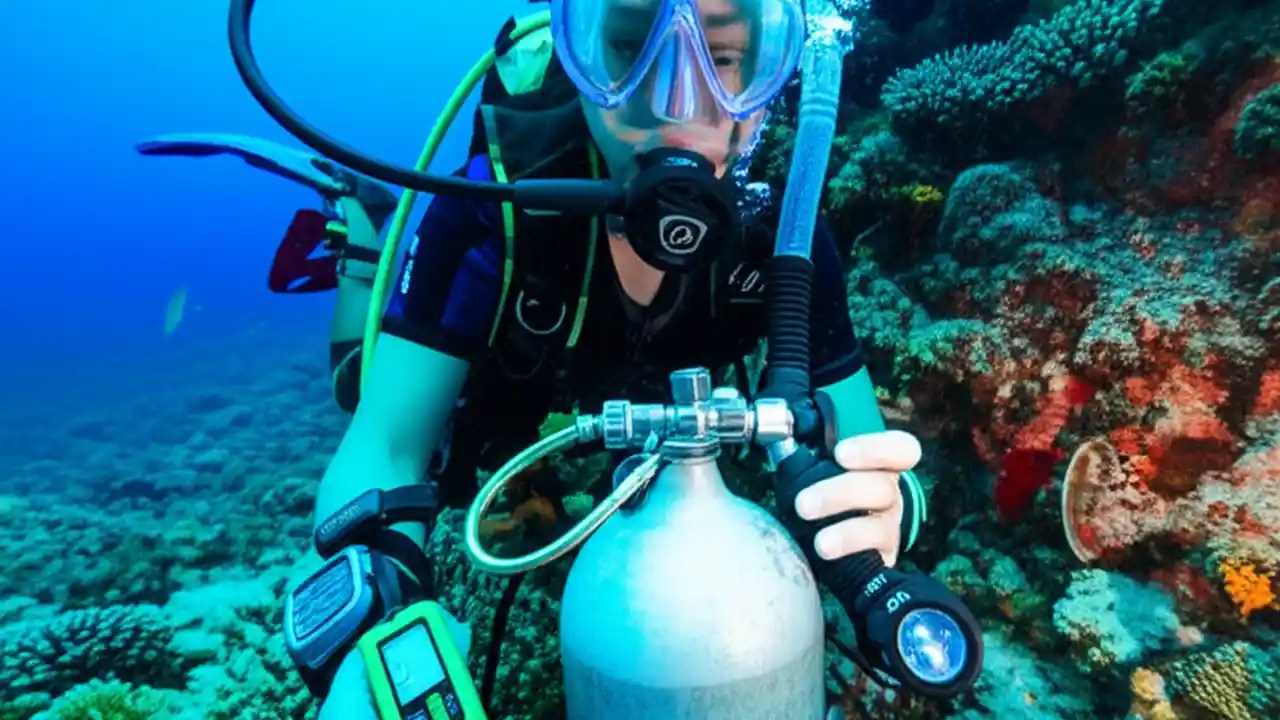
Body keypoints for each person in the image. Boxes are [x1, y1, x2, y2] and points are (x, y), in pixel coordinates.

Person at [302, 0, 931, 715]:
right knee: (360, 384)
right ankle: (362, 237)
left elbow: (870, 453)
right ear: (579, 57)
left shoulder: (783, 235)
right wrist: (374, 611)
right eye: (632, 51)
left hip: (642, 392)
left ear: (770, 77)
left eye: (723, 60)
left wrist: (886, 520)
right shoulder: (490, 212)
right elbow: (385, 444)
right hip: (529, 380)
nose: (676, 107)